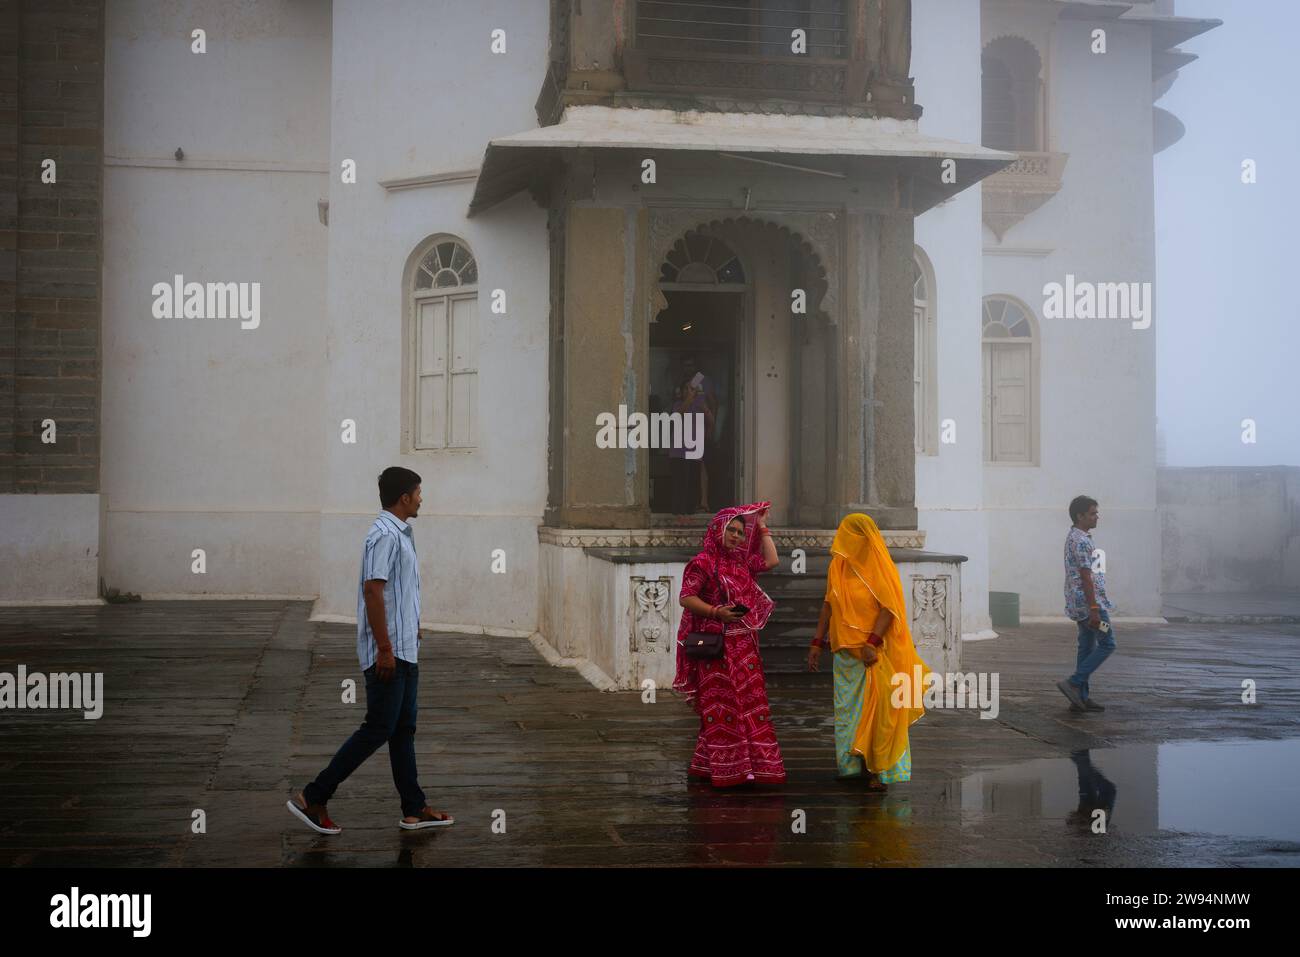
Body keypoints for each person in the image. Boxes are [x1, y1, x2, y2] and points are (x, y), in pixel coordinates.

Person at [287, 467, 454, 833]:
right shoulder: (383, 535)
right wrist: (384, 648)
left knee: (402, 729)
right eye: (419, 492)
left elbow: (396, 591)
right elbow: (373, 591)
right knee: (378, 728)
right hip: (390, 652)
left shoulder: (400, 534)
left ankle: (414, 809)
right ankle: (313, 796)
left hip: (405, 647)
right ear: (404, 497)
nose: (422, 498)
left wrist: (410, 628)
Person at [807, 513, 931, 792]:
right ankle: (852, 766)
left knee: (876, 713)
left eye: (852, 534)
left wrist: (872, 642)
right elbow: (828, 606)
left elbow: (889, 609)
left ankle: (877, 770)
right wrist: (817, 642)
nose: (845, 538)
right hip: (844, 654)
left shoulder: (879, 568)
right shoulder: (837, 565)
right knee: (848, 714)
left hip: (870, 654)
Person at [674, 502, 785, 787]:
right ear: (717, 531)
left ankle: (742, 766)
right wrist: (716, 612)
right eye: (731, 530)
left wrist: (760, 526)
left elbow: (772, 561)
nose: (736, 536)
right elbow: (686, 597)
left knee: (751, 705)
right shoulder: (702, 562)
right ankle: (727, 770)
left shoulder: (740, 561)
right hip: (716, 648)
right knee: (722, 708)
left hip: (745, 646)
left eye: (740, 531)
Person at [1057, 495, 1114, 712]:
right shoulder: (1080, 541)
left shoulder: (1077, 537)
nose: (1096, 516)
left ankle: (1079, 696)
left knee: (1087, 645)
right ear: (1080, 516)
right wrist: (1094, 610)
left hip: (1081, 604)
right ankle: (1074, 682)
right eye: (1092, 513)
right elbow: (1085, 577)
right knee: (1108, 642)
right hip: (1090, 607)